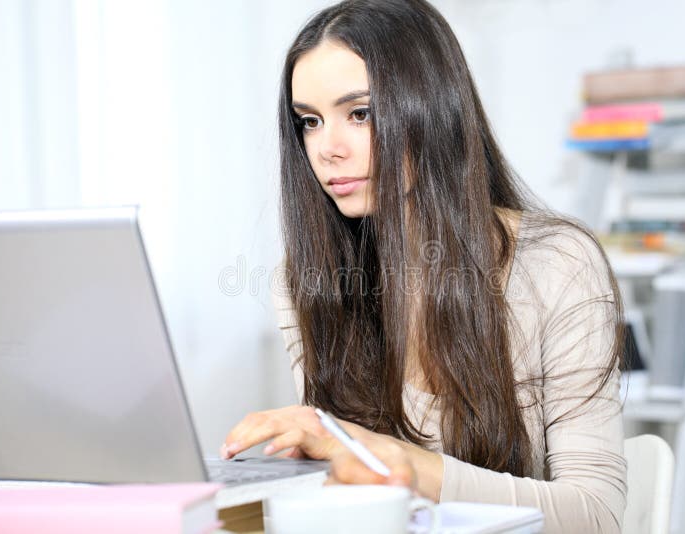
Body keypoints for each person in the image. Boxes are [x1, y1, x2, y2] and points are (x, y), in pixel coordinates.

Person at [221, 1, 627, 532]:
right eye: (310, 122)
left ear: (431, 109)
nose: (327, 149)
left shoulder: (557, 264)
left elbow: (596, 516)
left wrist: (405, 464)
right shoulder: (305, 281)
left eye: (360, 114)